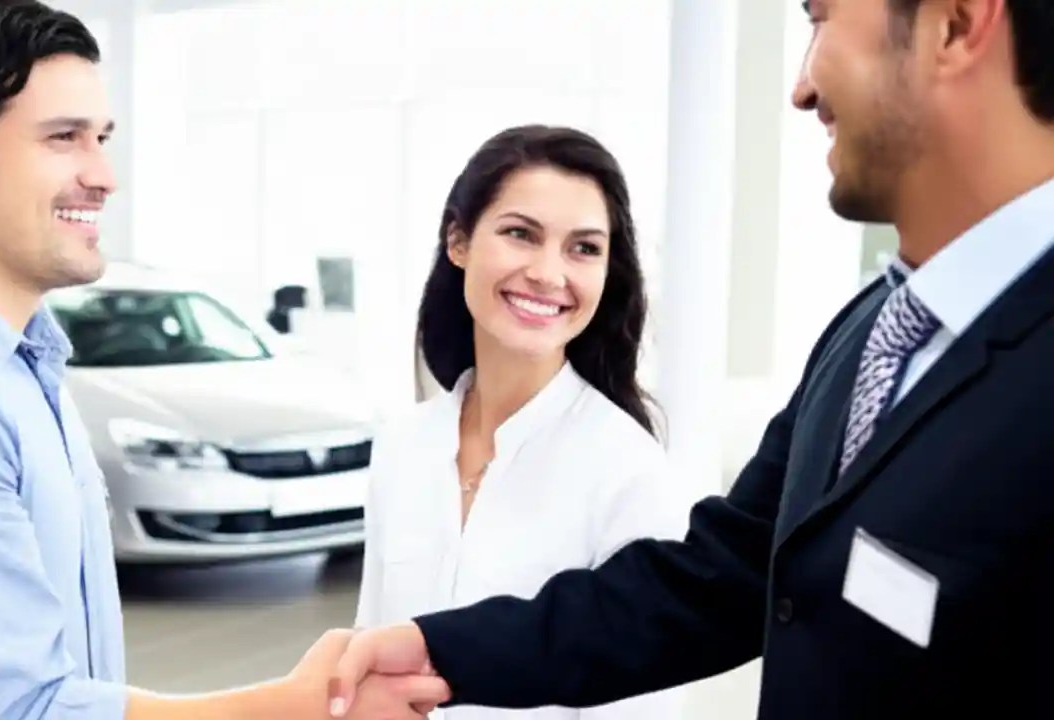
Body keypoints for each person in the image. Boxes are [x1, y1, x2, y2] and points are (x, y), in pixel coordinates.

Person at [328, 0, 1054, 717]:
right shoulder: (869, 332)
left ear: (955, 25)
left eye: (820, 17)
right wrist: (444, 650)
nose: (800, 88)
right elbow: (718, 578)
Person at [0, 2, 447, 719]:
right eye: (63, 138)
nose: (103, 176)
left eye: (101, 137)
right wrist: (300, 707)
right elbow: (22, 708)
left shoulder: (18, 362)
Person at [355, 126, 693, 720]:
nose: (547, 273)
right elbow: (367, 658)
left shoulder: (628, 472)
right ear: (458, 241)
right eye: (520, 234)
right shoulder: (402, 444)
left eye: (583, 248)